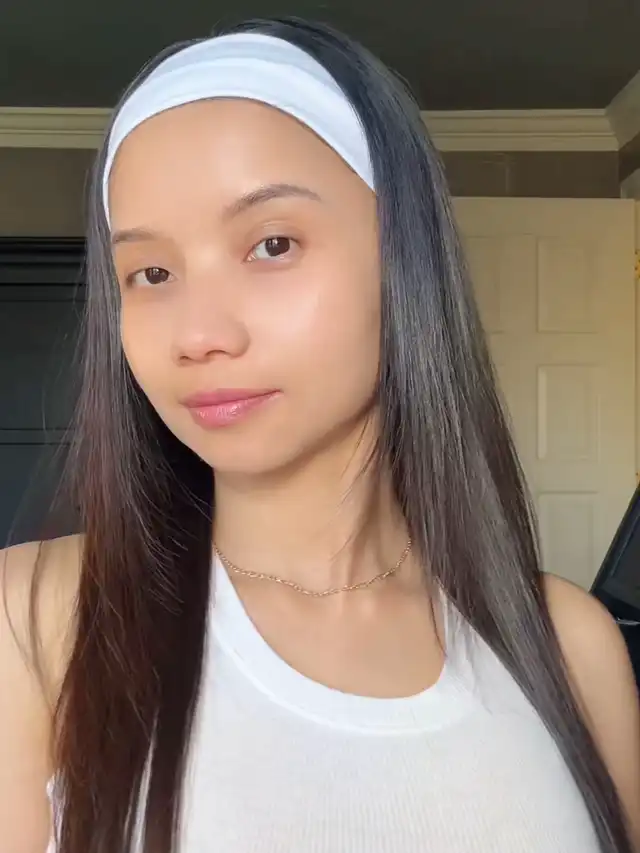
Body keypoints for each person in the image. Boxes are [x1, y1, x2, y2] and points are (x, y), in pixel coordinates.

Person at [1, 16, 638, 853]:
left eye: (272, 244)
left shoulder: (572, 645)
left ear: (403, 257)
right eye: (151, 272)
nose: (199, 333)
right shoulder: (36, 620)